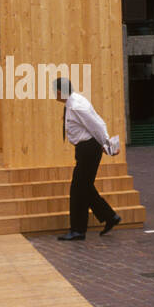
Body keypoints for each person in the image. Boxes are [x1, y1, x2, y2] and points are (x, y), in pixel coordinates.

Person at [53, 77, 121, 242]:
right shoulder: (73, 103)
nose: (54, 95)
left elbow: (97, 125)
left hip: (88, 149)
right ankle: (109, 216)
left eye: (55, 91)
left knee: (78, 189)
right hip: (85, 149)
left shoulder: (77, 105)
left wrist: (107, 145)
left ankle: (78, 230)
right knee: (84, 187)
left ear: (61, 92)